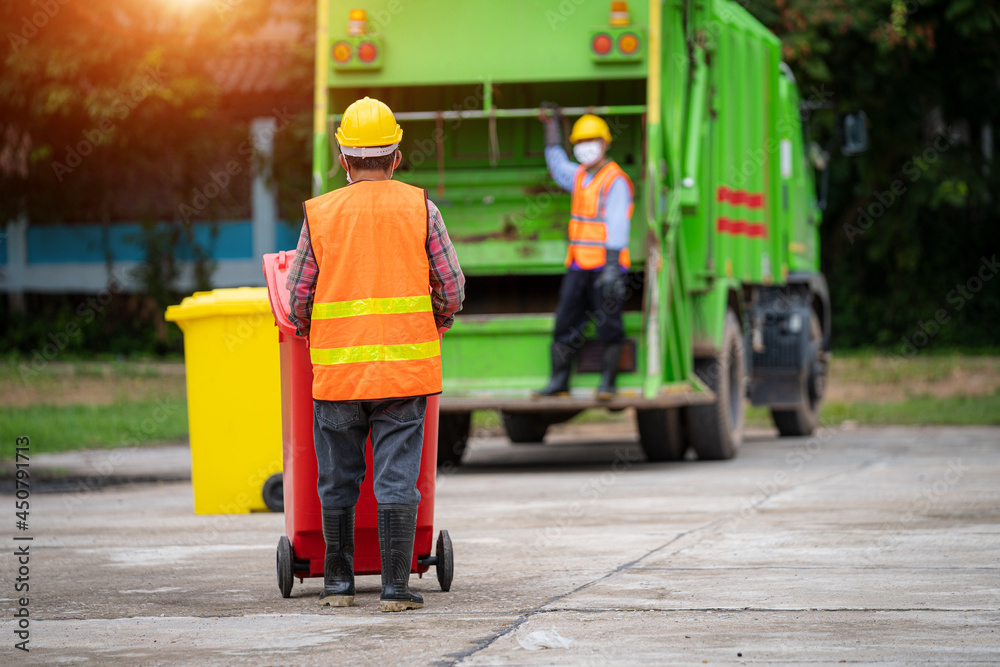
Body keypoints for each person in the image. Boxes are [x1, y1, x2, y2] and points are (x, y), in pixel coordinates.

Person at [286, 97, 465, 612]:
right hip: (405, 376)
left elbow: (299, 295)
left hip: (338, 377)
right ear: (397, 157)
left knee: (337, 478)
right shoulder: (421, 208)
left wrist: (308, 328)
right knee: (396, 478)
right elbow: (451, 287)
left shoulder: (318, 215)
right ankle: (394, 588)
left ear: (343, 158)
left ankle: (338, 585)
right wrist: (439, 319)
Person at [534, 109, 633, 400]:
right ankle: (559, 382)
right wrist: (552, 129)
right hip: (579, 264)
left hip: (606, 267)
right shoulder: (579, 176)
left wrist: (613, 269)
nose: (586, 146)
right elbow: (557, 165)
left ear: (605, 144)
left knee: (609, 325)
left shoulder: (615, 180)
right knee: (566, 321)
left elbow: (617, 224)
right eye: (581, 140)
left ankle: (607, 384)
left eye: (593, 140)